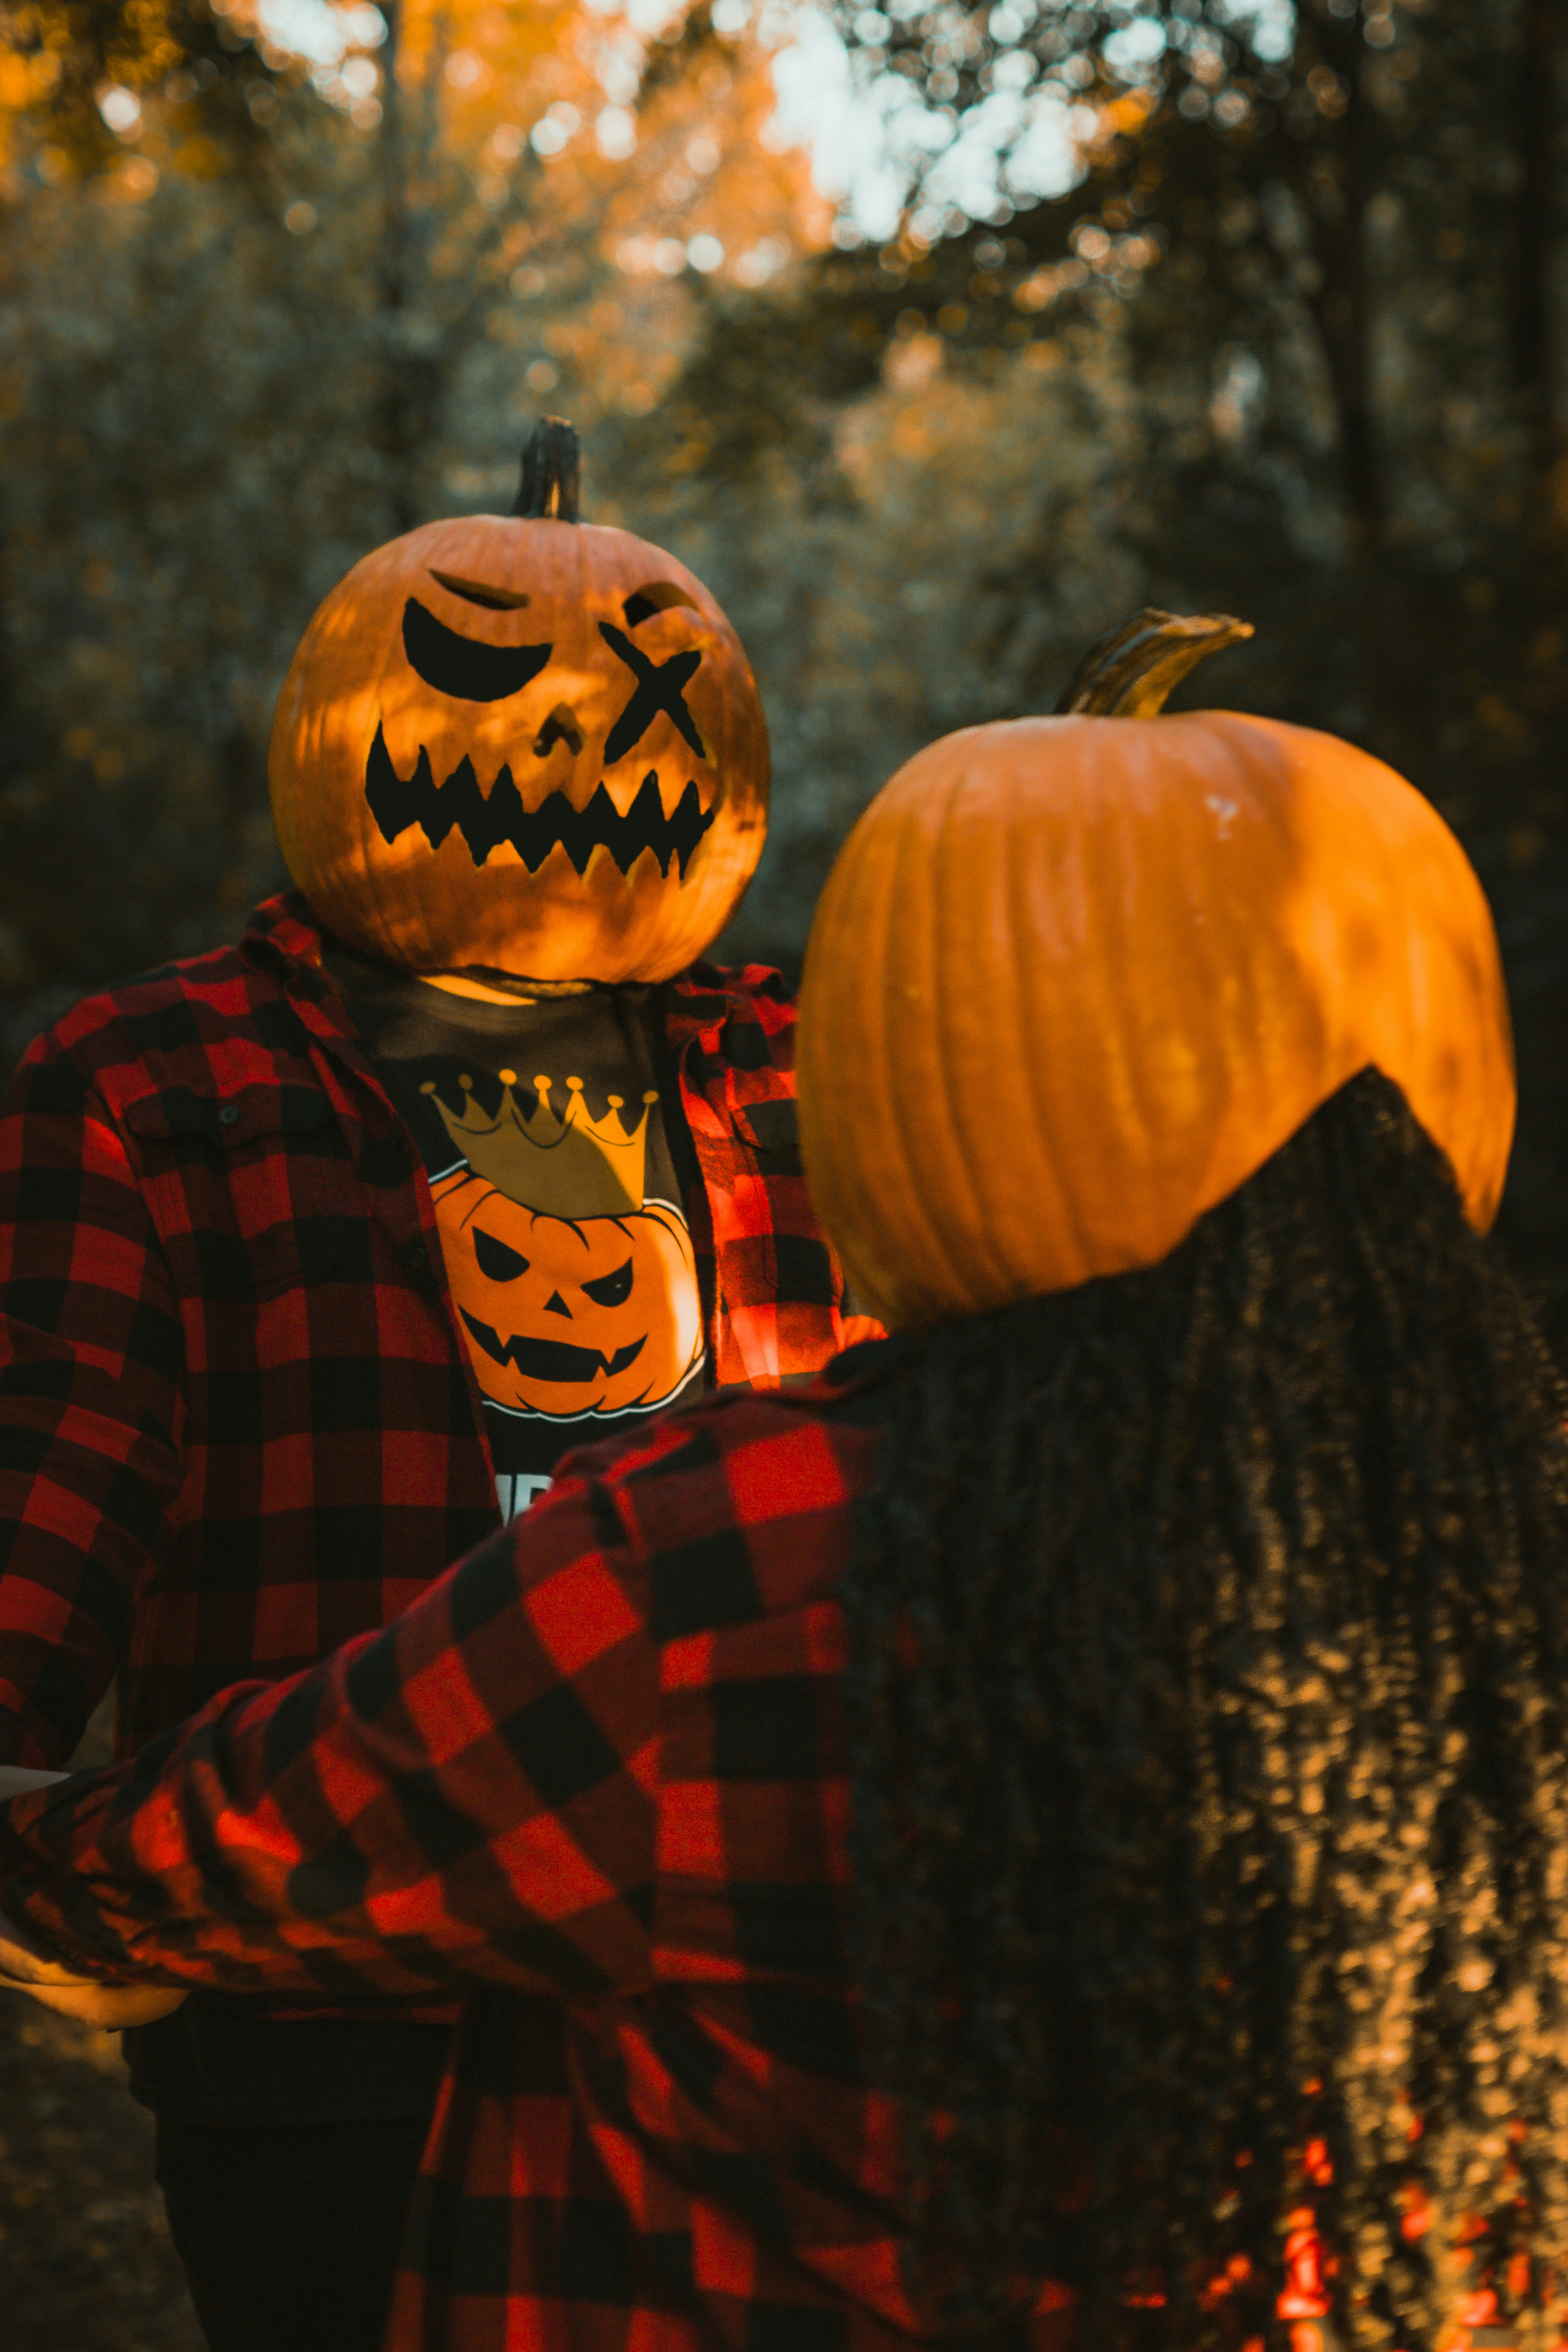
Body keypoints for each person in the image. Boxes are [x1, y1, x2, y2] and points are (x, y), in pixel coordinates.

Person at [3, 609, 1563, 2352]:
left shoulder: (735, 1559)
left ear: (931, 1076)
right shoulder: (1496, 1570)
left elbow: (221, 1845)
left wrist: (60, 1862)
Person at [0, 419, 872, 2351]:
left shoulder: (817, 1081)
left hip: (718, 1989)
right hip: (318, 2016)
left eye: (639, 682)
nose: (565, 737)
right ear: (354, 706)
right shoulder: (151, 1085)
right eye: (478, 664)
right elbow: (56, 1464)